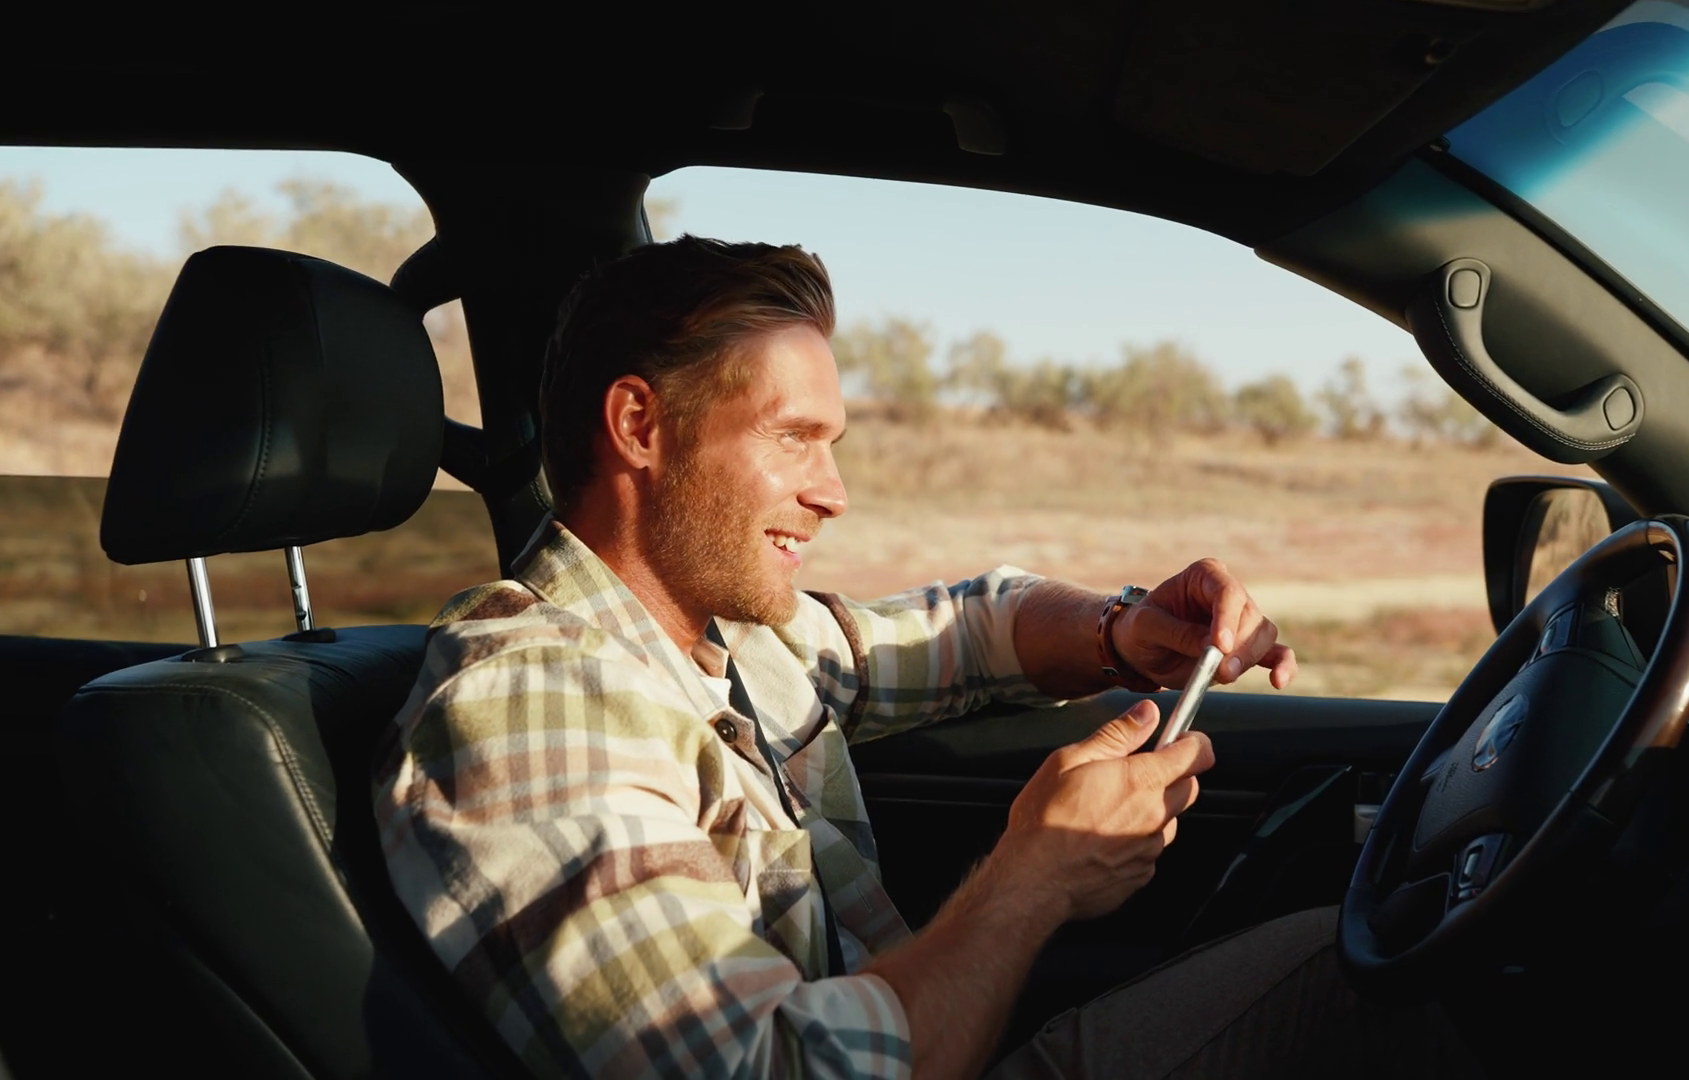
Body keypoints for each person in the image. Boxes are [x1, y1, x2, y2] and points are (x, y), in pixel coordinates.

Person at [374, 236, 1478, 1079]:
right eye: (792, 438)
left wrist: (1123, 632)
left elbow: (962, 630)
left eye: (833, 446)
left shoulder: (729, 639)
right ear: (639, 426)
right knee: (1375, 976)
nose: (834, 493)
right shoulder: (529, 700)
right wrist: (1036, 876)